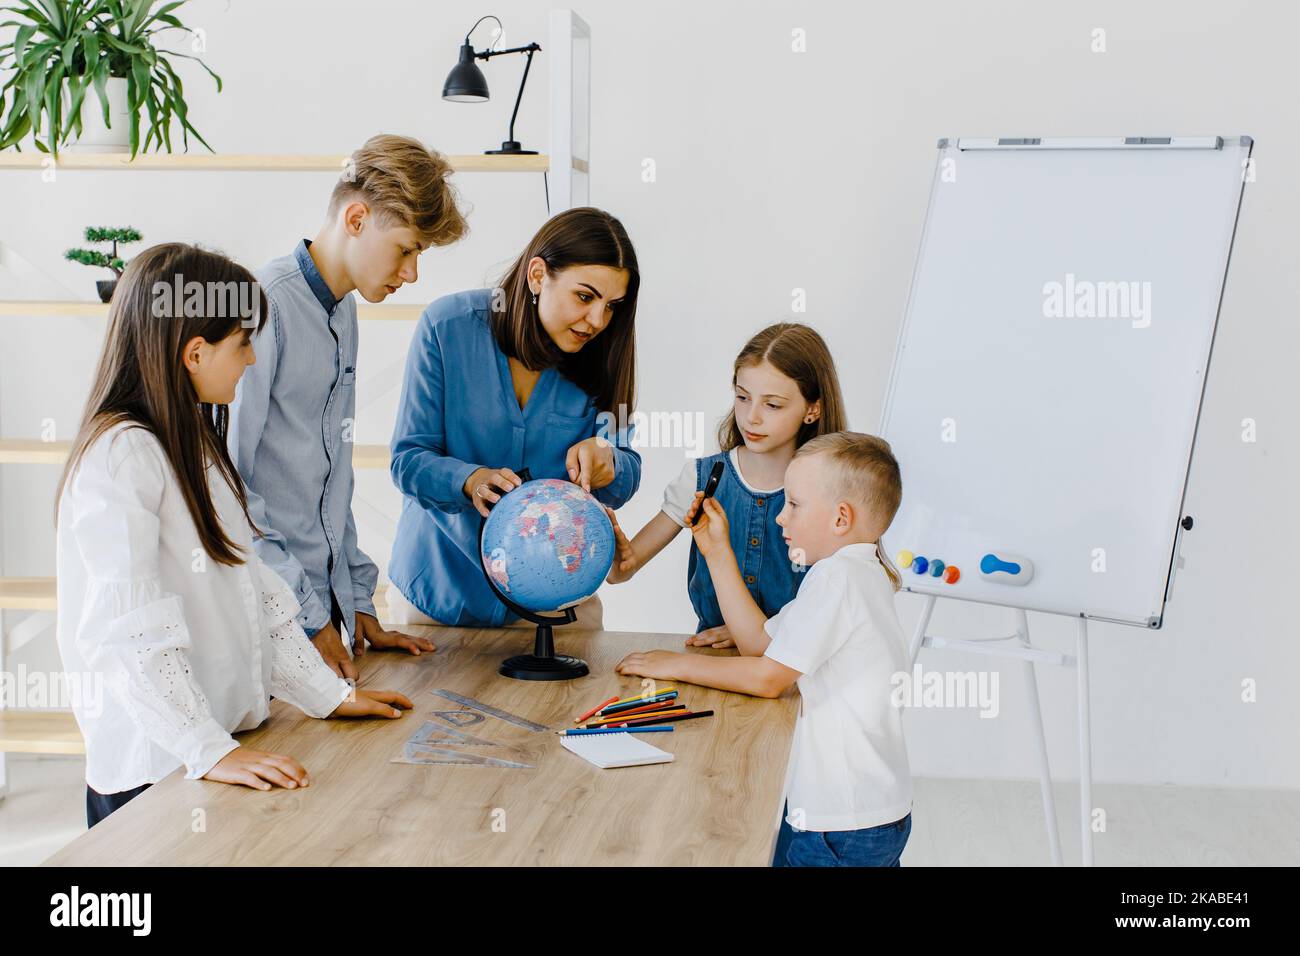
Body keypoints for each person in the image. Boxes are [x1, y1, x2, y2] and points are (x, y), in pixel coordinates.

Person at [56, 244, 412, 828]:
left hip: (211, 751)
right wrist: (209, 749)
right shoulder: (122, 456)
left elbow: (258, 591)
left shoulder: (194, 441)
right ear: (195, 353)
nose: (251, 360)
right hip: (158, 771)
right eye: (242, 342)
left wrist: (327, 694)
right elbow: (129, 636)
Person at [230, 134, 469, 679]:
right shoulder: (263, 303)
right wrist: (307, 620)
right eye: (406, 250)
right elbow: (230, 485)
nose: (411, 274)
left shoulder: (343, 312)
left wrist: (358, 599)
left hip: (324, 615)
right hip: (276, 620)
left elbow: (330, 478)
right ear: (356, 218)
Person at [617, 432, 912, 866]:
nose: (780, 518)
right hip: (861, 813)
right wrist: (717, 553)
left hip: (841, 821)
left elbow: (769, 677)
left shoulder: (837, 580)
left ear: (840, 518)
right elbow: (761, 643)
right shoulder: (856, 573)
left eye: (793, 504)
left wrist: (677, 664)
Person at [387, 207, 642, 627]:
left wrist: (608, 459)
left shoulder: (605, 355)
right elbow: (408, 460)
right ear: (538, 275)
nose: (598, 321)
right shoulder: (447, 327)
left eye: (612, 305)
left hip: (554, 605)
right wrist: (468, 480)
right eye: (585, 296)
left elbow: (628, 469)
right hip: (438, 600)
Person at [605, 323, 846, 647]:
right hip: (711, 658)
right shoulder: (702, 478)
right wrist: (620, 557)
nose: (751, 417)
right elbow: (621, 572)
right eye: (743, 397)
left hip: (792, 667)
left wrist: (755, 632)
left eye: (772, 405)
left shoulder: (833, 490)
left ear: (812, 409)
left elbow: (836, 606)